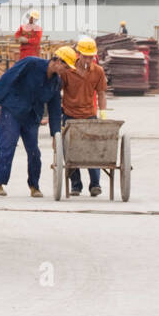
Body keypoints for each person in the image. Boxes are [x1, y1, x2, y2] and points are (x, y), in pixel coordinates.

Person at [0, 49, 68, 198]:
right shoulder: (31, 63)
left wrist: (55, 135)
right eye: (66, 66)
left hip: (32, 117)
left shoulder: (56, 82)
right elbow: (8, 78)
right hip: (13, 111)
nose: (66, 70)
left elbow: (55, 109)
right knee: (7, 145)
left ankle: (34, 186)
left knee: (34, 152)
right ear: (57, 61)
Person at [59, 35, 108, 198]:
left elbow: (101, 93)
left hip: (89, 115)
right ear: (78, 54)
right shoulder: (67, 71)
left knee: (92, 151)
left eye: (91, 56)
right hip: (69, 115)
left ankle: (95, 184)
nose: (88, 59)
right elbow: (58, 91)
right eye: (85, 56)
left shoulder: (98, 71)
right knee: (70, 151)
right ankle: (76, 184)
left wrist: (103, 113)